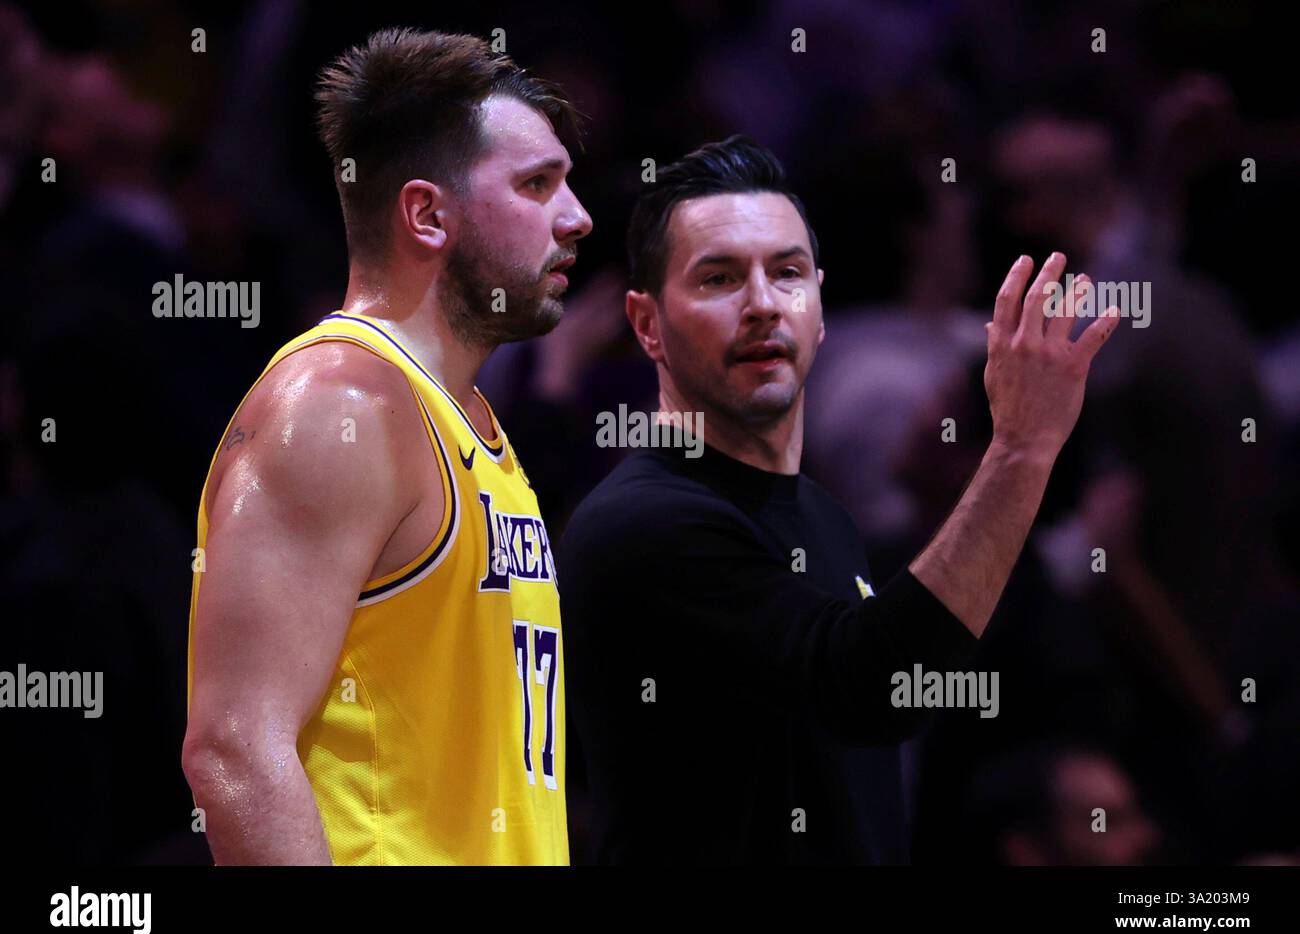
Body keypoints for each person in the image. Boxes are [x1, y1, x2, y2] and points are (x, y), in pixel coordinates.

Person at [560, 136, 1119, 863]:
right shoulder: (644, 525)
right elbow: (877, 685)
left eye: (787, 273)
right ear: (646, 325)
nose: (763, 304)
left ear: (820, 308)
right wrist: (1020, 449)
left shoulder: (824, 517)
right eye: (719, 279)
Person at [182, 28, 592, 865]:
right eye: (536, 184)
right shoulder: (341, 405)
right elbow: (233, 749)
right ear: (427, 214)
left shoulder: (466, 420)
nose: (577, 216)